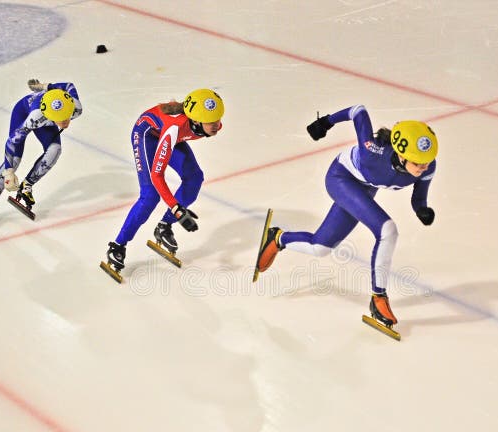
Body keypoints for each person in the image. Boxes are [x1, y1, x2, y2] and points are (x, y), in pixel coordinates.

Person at [256, 104, 438, 329]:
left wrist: (423, 210)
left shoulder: (428, 166)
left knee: (319, 248)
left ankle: (278, 238)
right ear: (401, 155)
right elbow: (358, 112)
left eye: (427, 161)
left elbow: (418, 198)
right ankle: (378, 298)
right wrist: (326, 122)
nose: (424, 167)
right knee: (387, 230)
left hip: (365, 187)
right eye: (418, 163)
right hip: (341, 178)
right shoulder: (373, 151)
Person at [100, 88, 224, 281]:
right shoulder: (175, 127)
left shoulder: (203, 123)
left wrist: (175, 212)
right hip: (148, 134)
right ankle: (118, 245)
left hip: (171, 135)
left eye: (218, 119)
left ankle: (164, 226)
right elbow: (157, 175)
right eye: (211, 122)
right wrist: (176, 208)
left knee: (194, 177)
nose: (217, 125)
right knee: (150, 196)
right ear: (197, 120)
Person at [0, 79, 83, 230]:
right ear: (50, 116)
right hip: (24, 111)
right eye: (60, 120)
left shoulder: (75, 107)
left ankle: (26, 186)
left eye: (67, 117)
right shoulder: (35, 118)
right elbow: (12, 142)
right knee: (15, 160)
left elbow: (69, 85)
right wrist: (9, 171)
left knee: (55, 150)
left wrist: (46, 86)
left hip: (46, 118)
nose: (64, 123)